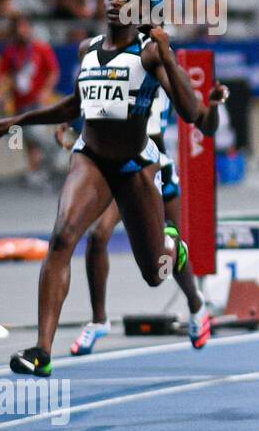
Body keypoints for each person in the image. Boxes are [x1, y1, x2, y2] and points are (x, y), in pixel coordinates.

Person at [0, 0, 226, 377]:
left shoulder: (149, 53)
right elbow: (73, 106)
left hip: (134, 164)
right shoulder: (88, 49)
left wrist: (166, 52)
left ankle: (174, 251)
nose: (114, 1)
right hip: (91, 158)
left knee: (154, 272)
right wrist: (17, 120)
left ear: (138, 8)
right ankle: (43, 351)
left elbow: (194, 116)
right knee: (62, 237)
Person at [62, 82, 222, 355]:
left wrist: (214, 105)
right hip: (119, 166)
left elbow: (204, 121)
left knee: (167, 251)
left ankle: (196, 305)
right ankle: (99, 319)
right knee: (98, 235)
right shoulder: (110, 61)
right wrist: (67, 125)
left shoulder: (160, 64)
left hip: (155, 166)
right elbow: (87, 100)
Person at [0, 15, 60, 188]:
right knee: (27, 138)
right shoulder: (10, 51)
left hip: (37, 103)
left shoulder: (41, 48)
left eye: (23, 27)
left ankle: (49, 157)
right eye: (17, 29)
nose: (20, 32)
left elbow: (53, 71)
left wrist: (46, 90)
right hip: (19, 103)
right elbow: (2, 74)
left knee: (35, 134)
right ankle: (36, 170)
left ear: (29, 28)